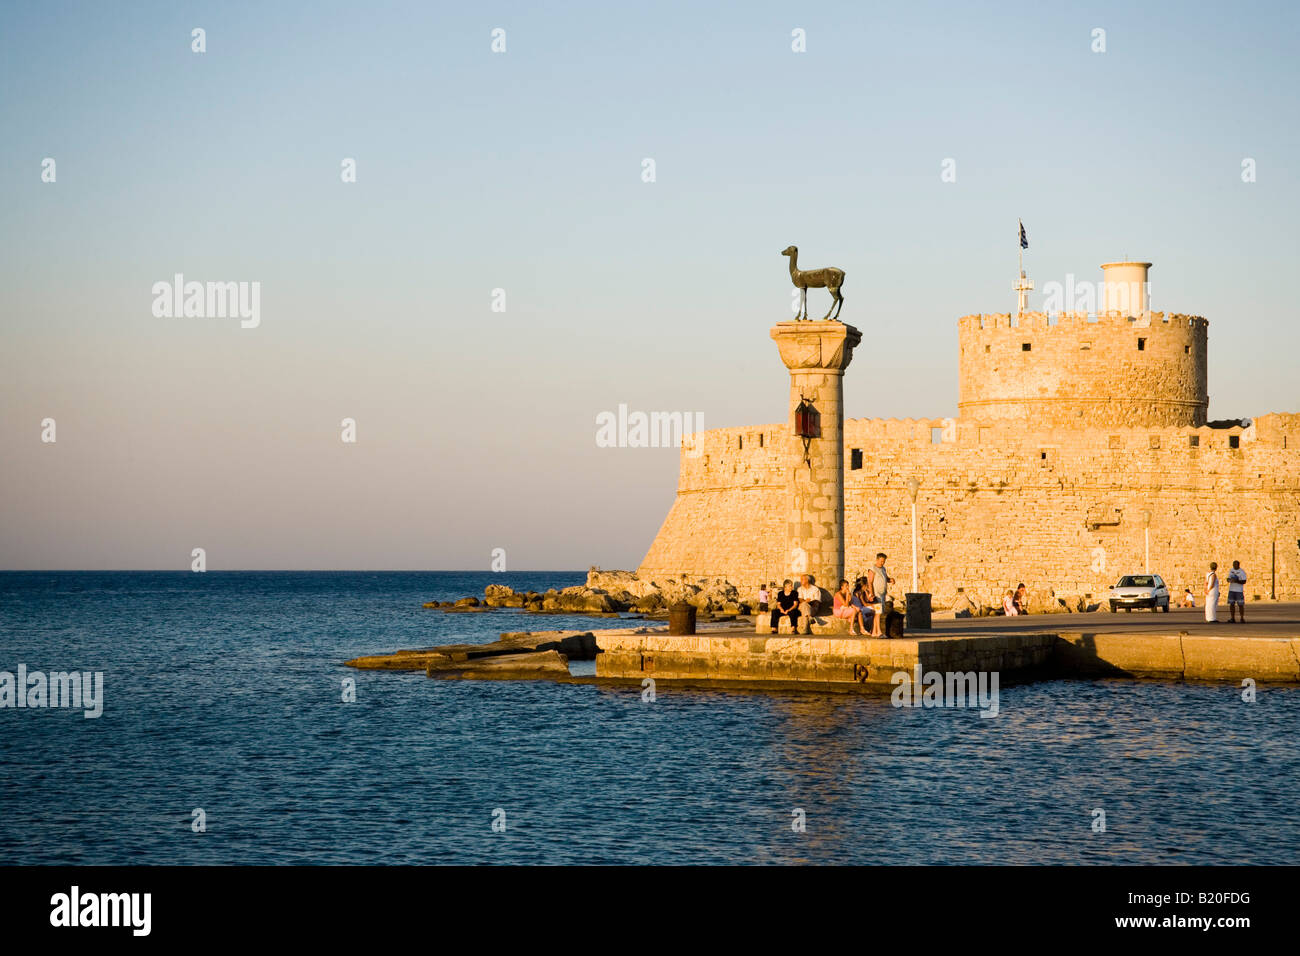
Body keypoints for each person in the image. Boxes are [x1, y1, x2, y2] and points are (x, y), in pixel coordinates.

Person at [867, 553, 895, 637]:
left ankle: (874, 632)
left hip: (882, 594)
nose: (882, 563)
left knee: (878, 613)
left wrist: (891, 580)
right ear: (877, 560)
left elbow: (885, 578)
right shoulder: (872, 569)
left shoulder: (883, 569)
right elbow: (870, 582)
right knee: (878, 612)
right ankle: (879, 632)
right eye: (881, 561)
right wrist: (872, 594)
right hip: (876, 594)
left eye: (883, 561)